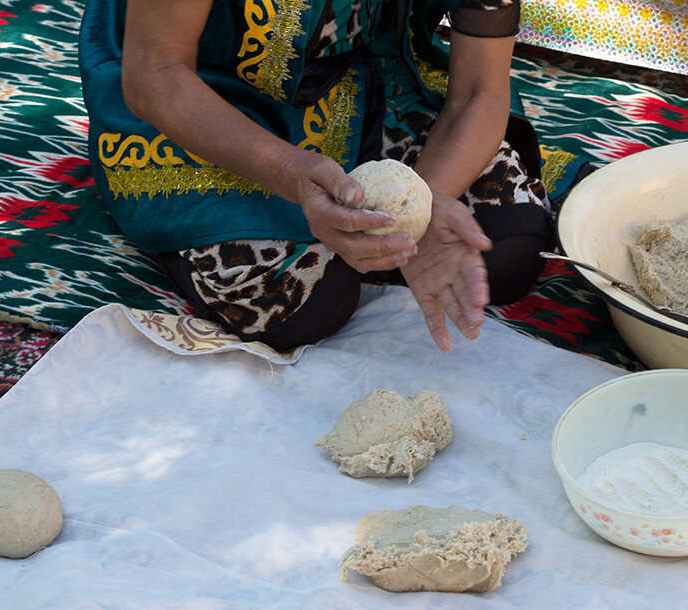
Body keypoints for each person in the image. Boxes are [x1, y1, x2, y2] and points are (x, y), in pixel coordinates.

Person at [79, 0, 591, 351]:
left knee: (506, 254)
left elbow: (480, 90)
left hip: (372, 77)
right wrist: (293, 173)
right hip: (206, 100)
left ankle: (365, 248)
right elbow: (155, 75)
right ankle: (214, 224)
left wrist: (423, 201)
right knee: (304, 305)